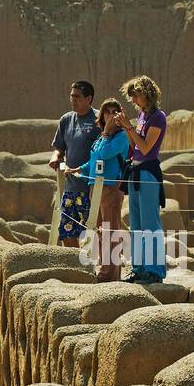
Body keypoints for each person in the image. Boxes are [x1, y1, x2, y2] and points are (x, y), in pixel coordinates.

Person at [66, 98, 129, 280]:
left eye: (113, 112)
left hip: (110, 187)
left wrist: (108, 132)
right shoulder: (103, 136)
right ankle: (104, 269)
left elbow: (104, 154)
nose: (110, 116)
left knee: (110, 230)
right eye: (106, 112)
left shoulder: (120, 137)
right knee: (100, 231)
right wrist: (80, 169)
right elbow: (94, 159)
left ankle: (110, 274)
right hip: (95, 186)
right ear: (101, 115)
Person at [116, 75, 168, 284]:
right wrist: (126, 127)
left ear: (146, 94)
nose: (134, 101)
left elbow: (146, 148)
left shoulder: (158, 117)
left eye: (136, 96)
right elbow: (135, 146)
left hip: (147, 173)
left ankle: (154, 271)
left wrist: (129, 127)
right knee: (136, 224)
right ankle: (139, 268)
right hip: (135, 171)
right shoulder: (143, 116)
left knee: (150, 224)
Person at [48, 80, 101, 248]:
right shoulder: (66, 120)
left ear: (89, 98)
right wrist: (55, 156)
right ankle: (74, 266)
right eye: (72, 96)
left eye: (77, 96)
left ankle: (92, 268)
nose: (73, 100)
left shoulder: (99, 120)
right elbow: (59, 147)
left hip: (91, 187)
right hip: (70, 187)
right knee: (66, 230)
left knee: (92, 231)